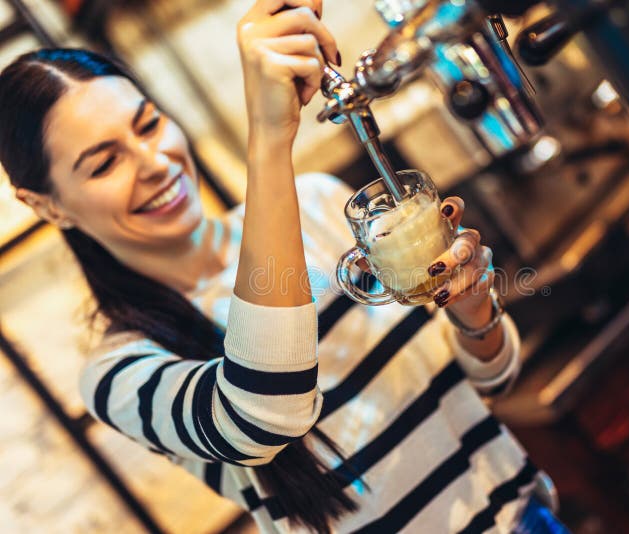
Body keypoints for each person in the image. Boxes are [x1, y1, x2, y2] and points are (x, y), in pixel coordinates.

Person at [0, 1, 568, 532]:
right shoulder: (117, 372)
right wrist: (269, 137)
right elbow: (266, 413)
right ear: (47, 206)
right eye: (104, 164)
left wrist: (474, 313)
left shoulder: (319, 204)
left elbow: (489, 382)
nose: (154, 163)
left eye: (148, 125)